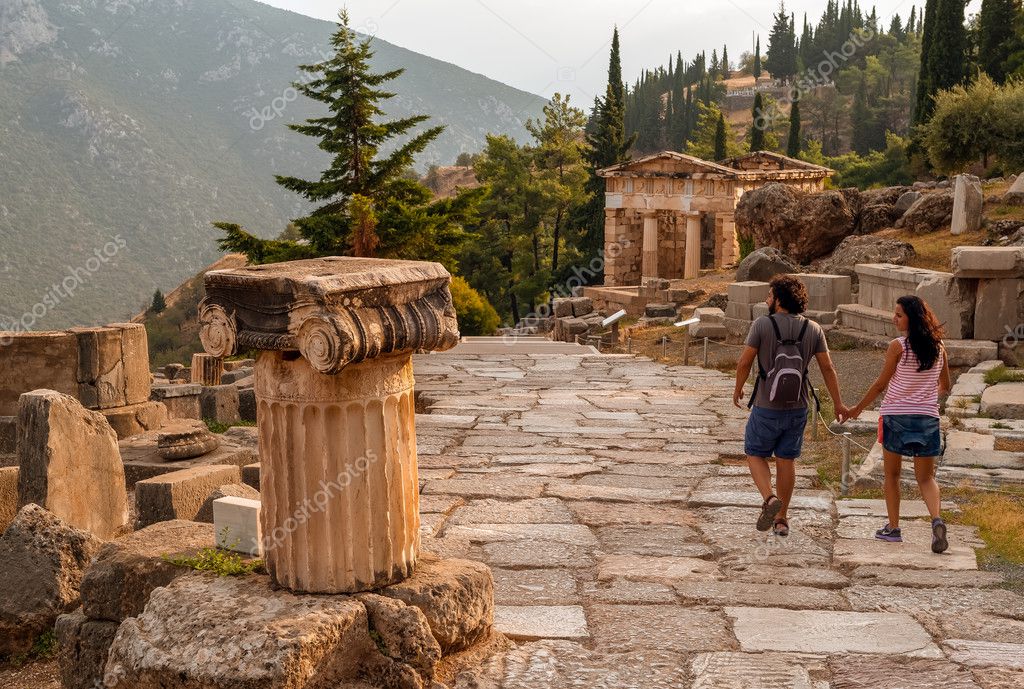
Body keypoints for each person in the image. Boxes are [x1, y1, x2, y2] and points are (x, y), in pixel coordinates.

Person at [733, 275, 847, 537]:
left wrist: (738, 387)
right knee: (786, 460)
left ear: (779, 299)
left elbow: (744, 362)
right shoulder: (813, 328)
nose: (766, 299)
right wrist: (838, 402)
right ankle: (782, 519)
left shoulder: (762, 325)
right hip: (798, 406)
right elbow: (828, 368)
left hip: (766, 404)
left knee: (754, 452)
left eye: (770, 295)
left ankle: (769, 498)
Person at [844, 295, 951, 554]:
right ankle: (936, 520)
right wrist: (924, 396)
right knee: (926, 478)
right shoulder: (939, 348)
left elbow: (881, 384)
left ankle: (893, 528)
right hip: (928, 418)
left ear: (911, 319)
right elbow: (945, 386)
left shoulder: (898, 346)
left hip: (895, 417)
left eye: (899, 315)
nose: (894, 319)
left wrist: (857, 408)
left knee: (892, 475)